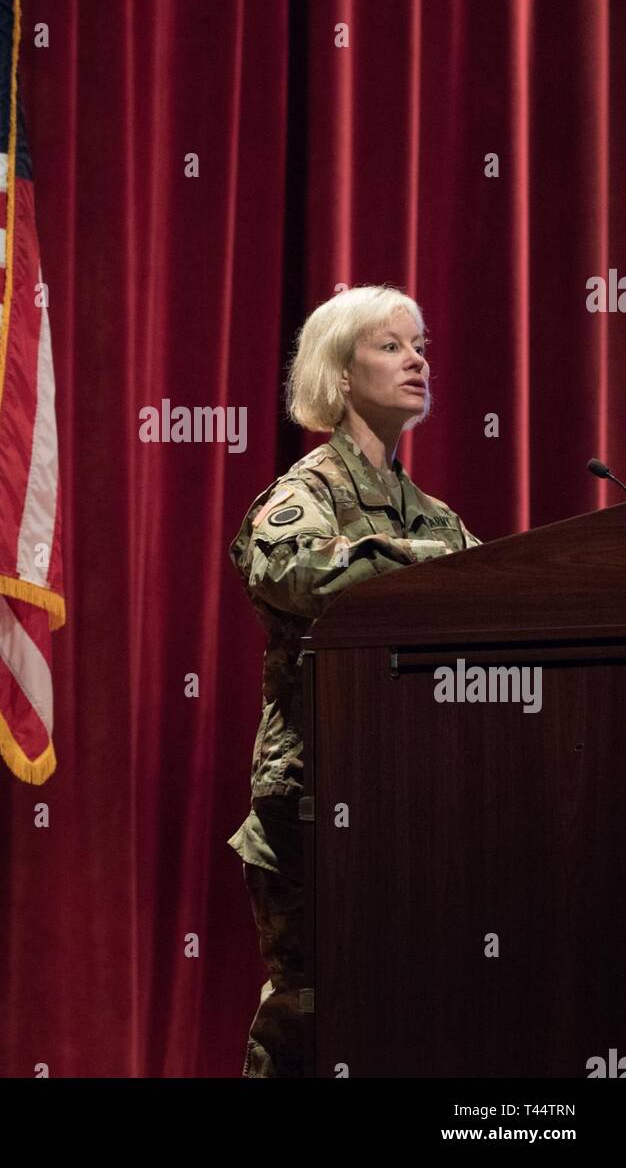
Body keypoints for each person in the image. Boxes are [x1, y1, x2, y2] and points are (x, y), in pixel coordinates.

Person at [227, 284, 482, 1078]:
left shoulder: (432, 514)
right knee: (314, 1016)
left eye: (421, 345)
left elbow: (493, 591)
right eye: (392, 346)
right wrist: (430, 568)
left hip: (416, 800)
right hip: (315, 799)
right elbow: (296, 575)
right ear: (340, 375)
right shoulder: (303, 494)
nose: (418, 360)